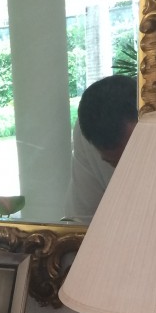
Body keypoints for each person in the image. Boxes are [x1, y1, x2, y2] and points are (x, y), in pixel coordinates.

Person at [64, 75, 138, 223]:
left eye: (134, 154)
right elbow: (82, 220)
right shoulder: (85, 134)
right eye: (114, 163)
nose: (128, 169)